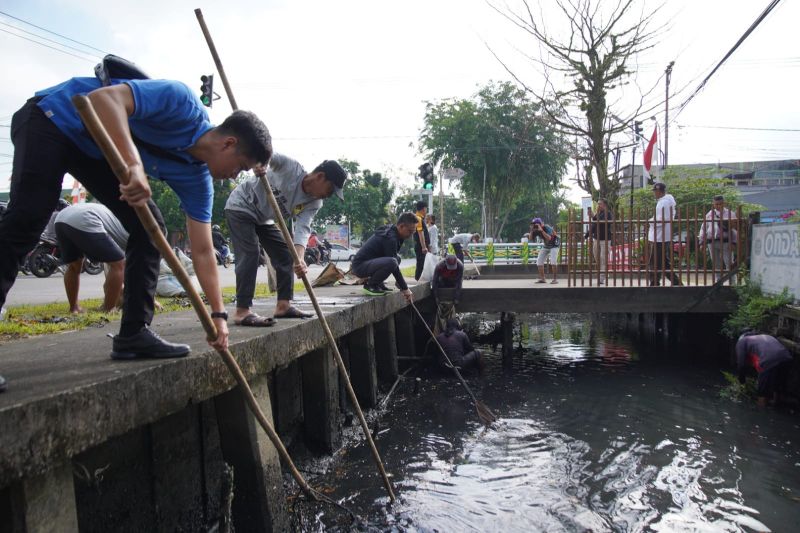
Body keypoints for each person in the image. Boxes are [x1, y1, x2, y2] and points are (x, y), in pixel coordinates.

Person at [0, 75, 272, 360]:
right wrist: (133, 166)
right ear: (228, 143)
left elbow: (203, 251)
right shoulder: (181, 102)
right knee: (28, 217)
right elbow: (102, 99)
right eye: (241, 167)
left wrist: (218, 315)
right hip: (53, 117)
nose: (235, 176)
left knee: (148, 226)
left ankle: (134, 333)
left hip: (89, 148)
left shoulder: (198, 179)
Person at [225, 154, 346, 325]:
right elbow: (266, 153)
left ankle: (283, 306)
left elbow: (303, 230)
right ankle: (242, 311)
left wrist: (300, 259)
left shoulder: (314, 203)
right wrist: (260, 163)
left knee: (287, 256)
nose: (329, 195)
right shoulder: (291, 168)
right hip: (242, 205)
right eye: (330, 190)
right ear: (320, 177)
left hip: (264, 219)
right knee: (250, 253)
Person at [54, 202, 129, 314]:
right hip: (86, 218)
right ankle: (108, 309)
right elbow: (134, 273)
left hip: (61, 218)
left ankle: (74, 308)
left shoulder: (123, 220)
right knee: (119, 264)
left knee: (74, 266)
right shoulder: (138, 239)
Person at [350, 213, 415, 301]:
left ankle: (378, 283)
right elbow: (394, 266)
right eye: (410, 231)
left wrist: (401, 284)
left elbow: (393, 258)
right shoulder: (390, 238)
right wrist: (405, 288)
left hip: (370, 263)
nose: (411, 235)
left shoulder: (397, 233)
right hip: (360, 266)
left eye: (413, 232)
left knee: (397, 259)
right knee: (393, 262)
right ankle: (371, 285)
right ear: (401, 226)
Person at [736, 331, 793, 407]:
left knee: (762, 391)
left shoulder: (742, 341)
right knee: (778, 384)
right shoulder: (766, 336)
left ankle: (761, 409)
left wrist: (741, 380)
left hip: (769, 360)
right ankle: (776, 403)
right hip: (786, 357)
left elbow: (741, 363)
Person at [647, 182, 682, 287]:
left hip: (659, 236)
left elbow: (662, 219)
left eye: (655, 191)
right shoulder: (665, 201)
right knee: (662, 261)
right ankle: (675, 282)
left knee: (655, 261)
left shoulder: (664, 203)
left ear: (659, 191)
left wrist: (650, 222)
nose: (654, 193)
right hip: (661, 235)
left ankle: (655, 282)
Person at [698, 194, 737, 283]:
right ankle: (718, 282)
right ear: (713, 204)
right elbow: (703, 228)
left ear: (724, 203)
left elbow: (735, 229)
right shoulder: (709, 214)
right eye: (716, 204)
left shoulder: (730, 214)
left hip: (726, 241)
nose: (718, 206)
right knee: (716, 264)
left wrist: (734, 242)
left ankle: (732, 283)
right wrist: (701, 242)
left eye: (720, 204)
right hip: (712, 241)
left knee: (729, 263)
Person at [584, 198, 614, 284]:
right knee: (596, 256)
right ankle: (604, 272)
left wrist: (593, 217)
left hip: (605, 240)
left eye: (600, 204)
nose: (598, 205)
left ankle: (602, 277)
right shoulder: (598, 214)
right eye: (598, 203)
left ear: (605, 205)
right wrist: (586, 236)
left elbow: (603, 222)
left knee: (603, 258)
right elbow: (594, 226)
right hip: (596, 239)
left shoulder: (608, 213)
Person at [530, 217, 560, 284]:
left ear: (541, 224)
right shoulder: (535, 230)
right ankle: (543, 279)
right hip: (546, 246)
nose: (535, 226)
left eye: (536, 224)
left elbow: (549, 238)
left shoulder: (547, 227)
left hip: (554, 245)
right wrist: (531, 230)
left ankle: (555, 279)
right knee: (539, 262)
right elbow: (530, 238)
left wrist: (541, 230)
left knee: (553, 262)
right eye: (534, 224)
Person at [413, 201, 430, 281]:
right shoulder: (418, 219)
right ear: (423, 209)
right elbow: (420, 233)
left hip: (420, 245)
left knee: (422, 264)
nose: (426, 211)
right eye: (426, 209)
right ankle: (418, 281)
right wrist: (424, 247)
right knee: (421, 264)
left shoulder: (418, 218)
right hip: (420, 246)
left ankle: (419, 280)